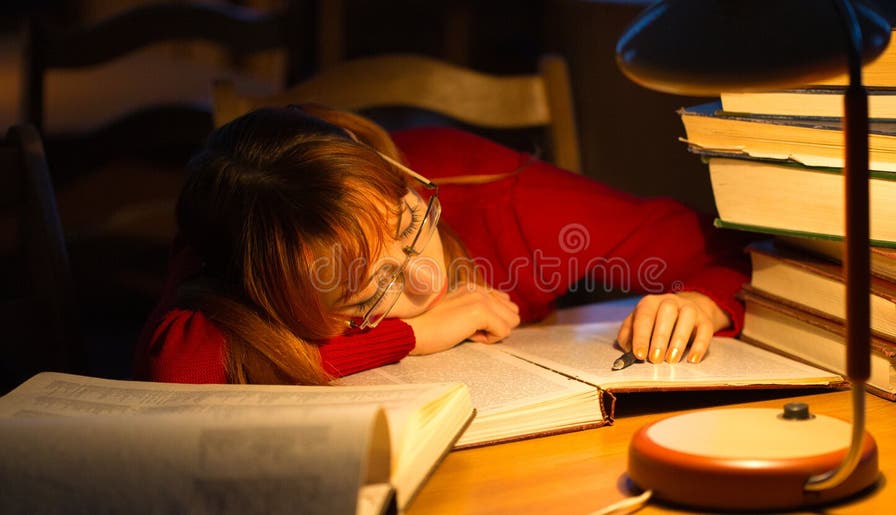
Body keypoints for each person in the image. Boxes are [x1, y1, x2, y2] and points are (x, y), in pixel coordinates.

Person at [135, 104, 750, 385]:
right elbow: (180, 364)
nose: (424, 280)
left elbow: (721, 252)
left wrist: (703, 302)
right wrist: (411, 334)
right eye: (370, 291)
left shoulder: (489, 193)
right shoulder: (248, 231)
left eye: (409, 226)